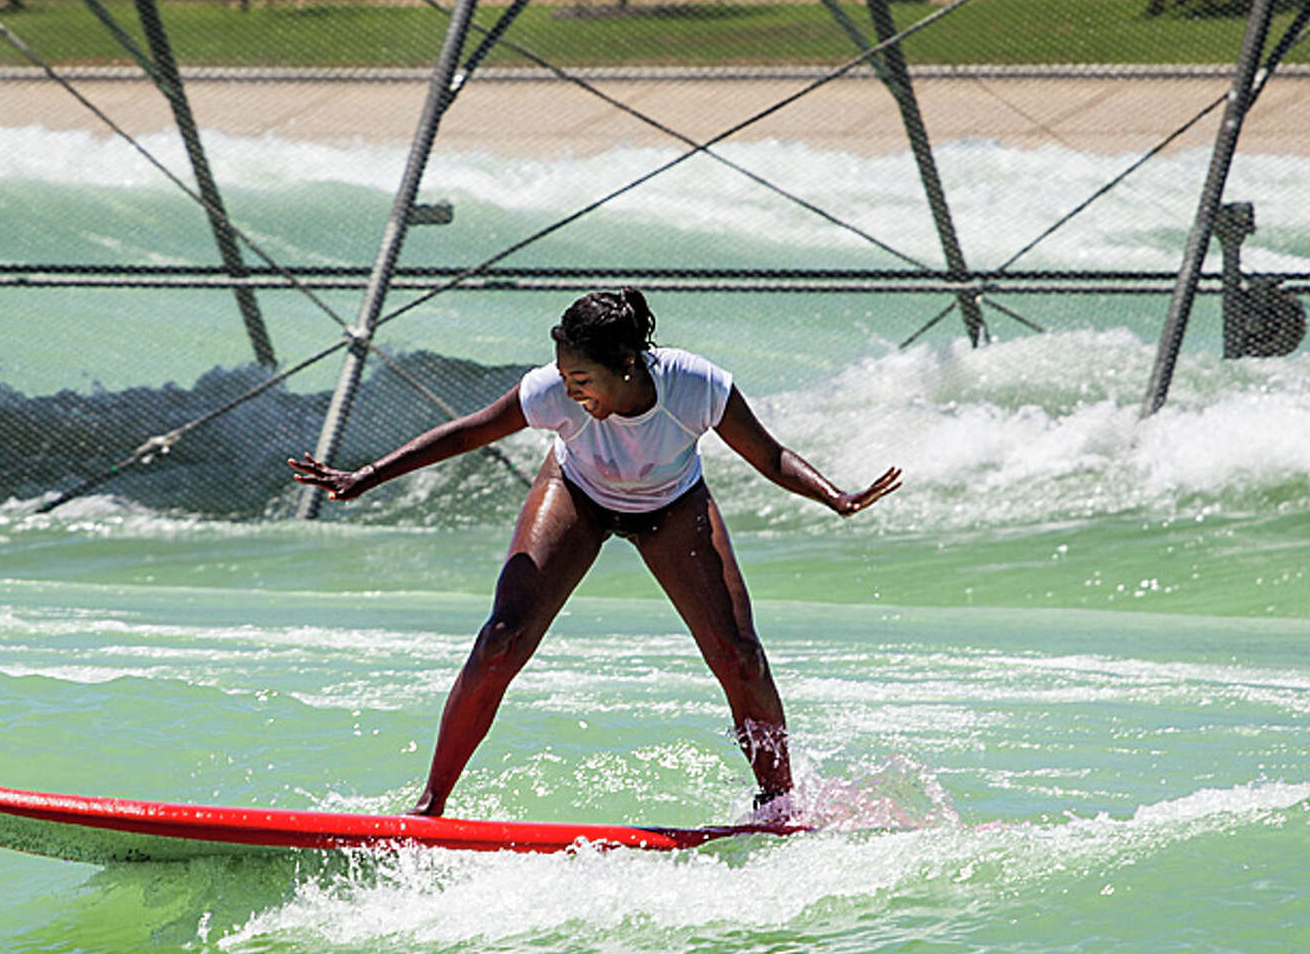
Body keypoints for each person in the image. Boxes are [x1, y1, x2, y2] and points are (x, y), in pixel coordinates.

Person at [289, 288, 900, 819]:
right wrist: (368, 476)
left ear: (627, 364)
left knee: (739, 656)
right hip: (576, 494)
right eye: (564, 376)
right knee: (501, 638)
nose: (570, 390)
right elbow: (472, 430)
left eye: (582, 379)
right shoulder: (551, 391)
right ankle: (431, 805)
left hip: (671, 507)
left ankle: (779, 806)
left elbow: (769, 455)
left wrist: (834, 496)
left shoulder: (695, 386)